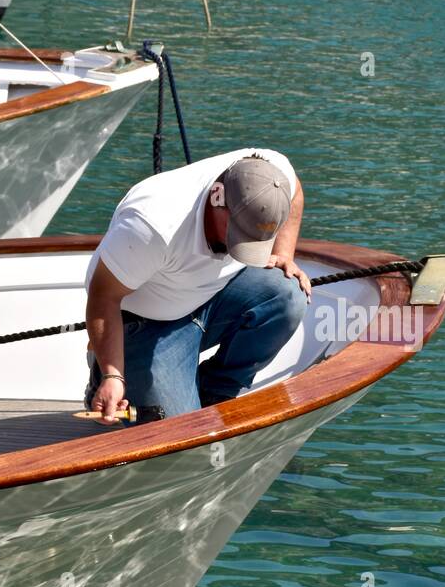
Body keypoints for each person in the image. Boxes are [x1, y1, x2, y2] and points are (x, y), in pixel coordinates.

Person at [84, 149, 310, 423]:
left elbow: (294, 189)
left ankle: (215, 391)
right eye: (239, 233)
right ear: (217, 196)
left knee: (288, 293)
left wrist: (284, 255)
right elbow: (102, 295)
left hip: (212, 296)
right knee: (179, 428)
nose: (242, 245)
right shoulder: (151, 225)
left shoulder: (272, 175)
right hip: (145, 324)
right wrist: (112, 374)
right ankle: (103, 376)